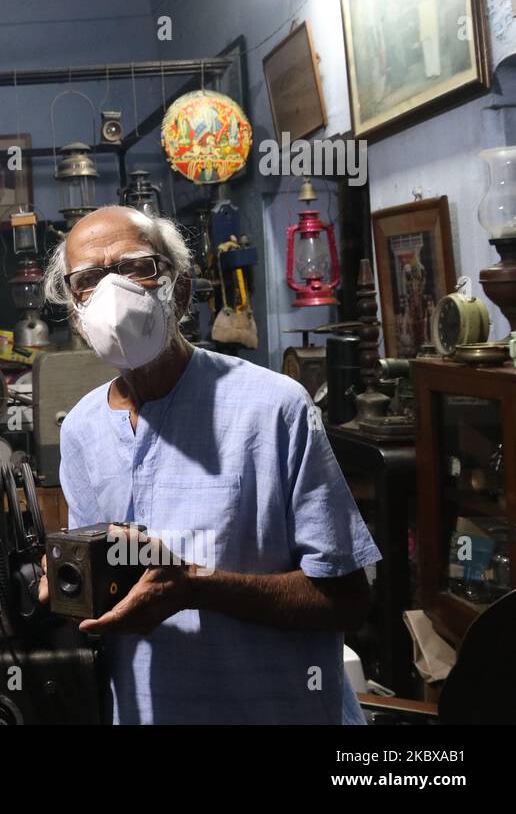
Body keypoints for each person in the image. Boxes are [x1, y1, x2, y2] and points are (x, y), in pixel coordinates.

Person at [38, 205, 380, 724]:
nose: (113, 293)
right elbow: (102, 580)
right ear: (74, 312)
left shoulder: (274, 408)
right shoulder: (82, 429)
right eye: (88, 280)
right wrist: (58, 590)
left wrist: (198, 588)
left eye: (136, 267)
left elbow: (347, 599)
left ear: (178, 289)